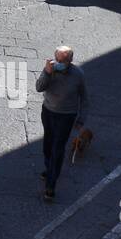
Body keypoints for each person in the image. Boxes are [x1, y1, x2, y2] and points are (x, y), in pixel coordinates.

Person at [35, 46, 89, 201]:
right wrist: (47, 73)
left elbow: (85, 99)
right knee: (47, 145)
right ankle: (49, 168)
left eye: (63, 61)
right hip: (48, 112)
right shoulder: (49, 69)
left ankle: (51, 186)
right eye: (57, 59)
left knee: (58, 149)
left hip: (66, 116)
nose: (58, 62)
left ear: (70, 61)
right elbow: (39, 88)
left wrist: (81, 119)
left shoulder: (78, 75)